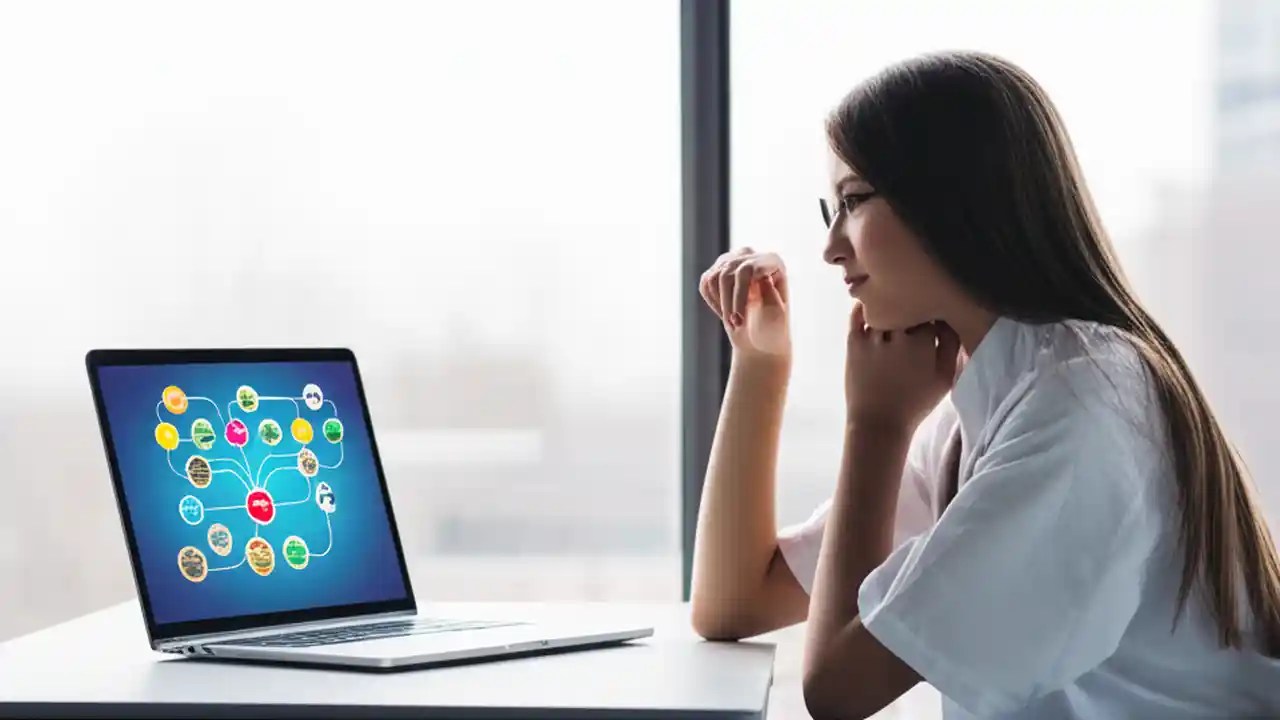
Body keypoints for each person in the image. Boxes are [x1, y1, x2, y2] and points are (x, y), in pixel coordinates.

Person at [689, 50, 1280, 719]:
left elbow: (837, 691)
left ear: (950, 198)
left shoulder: (1081, 408)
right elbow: (733, 602)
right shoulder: (985, 402)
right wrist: (760, 363)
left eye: (852, 202)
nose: (831, 246)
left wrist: (875, 427)